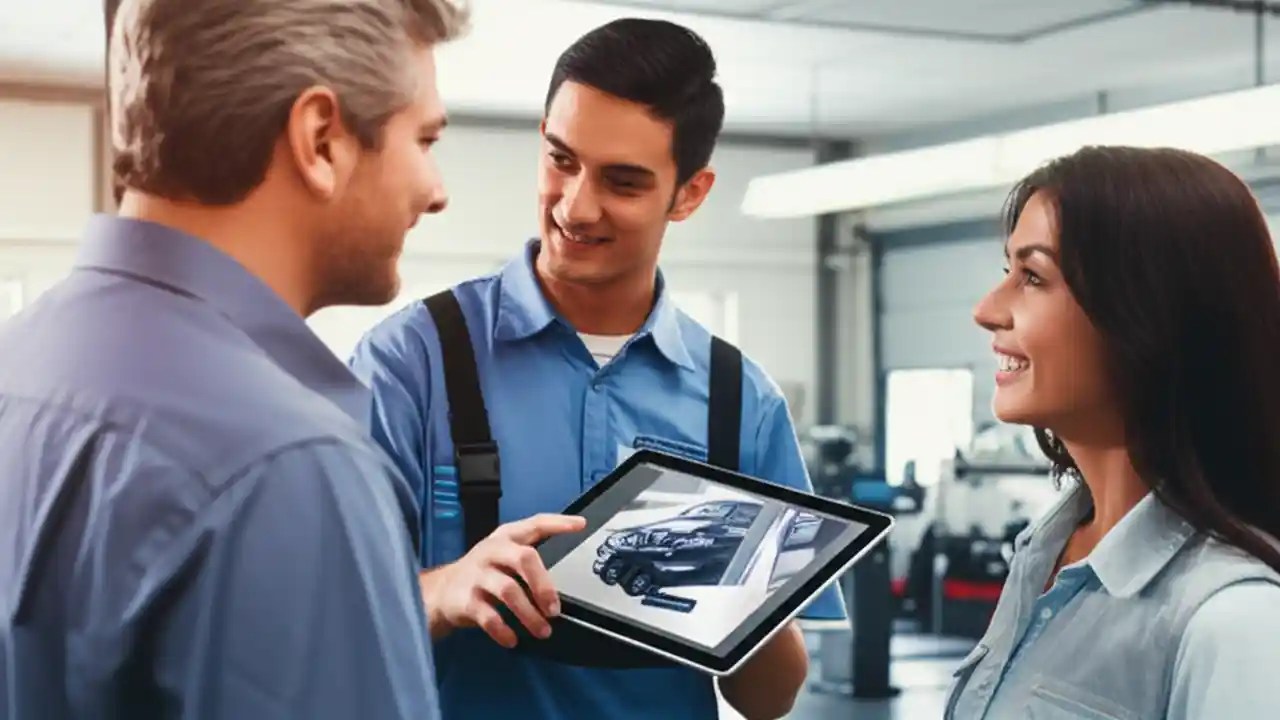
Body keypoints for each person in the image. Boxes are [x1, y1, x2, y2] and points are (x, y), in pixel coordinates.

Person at [349, 17, 846, 720]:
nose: (576, 206)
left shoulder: (741, 402)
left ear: (690, 193)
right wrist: (445, 591)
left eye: (624, 181)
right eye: (561, 159)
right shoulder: (411, 363)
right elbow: (322, 620)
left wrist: (740, 591)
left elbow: (768, 700)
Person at [0, 1, 465, 717]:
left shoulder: (19, 365)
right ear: (322, 141)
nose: (437, 191)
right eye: (426, 138)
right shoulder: (291, 465)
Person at [954, 145, 1280, 719]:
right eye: (1008, 271)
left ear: (1146, 312)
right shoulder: (1048, 555)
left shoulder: (1233, 621)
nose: (986, 309)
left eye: (1032, 276)